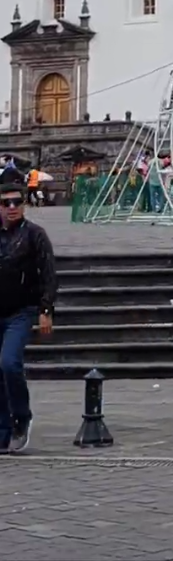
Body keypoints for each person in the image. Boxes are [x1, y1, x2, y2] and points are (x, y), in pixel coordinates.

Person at [0, 178, 56, 453]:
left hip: (21, 311)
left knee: (9, 363)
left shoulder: (35, 234)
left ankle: (22, 418)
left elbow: (48, 274)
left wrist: (46, 309)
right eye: (5, 202)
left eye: (17, 202)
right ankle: (3, 429)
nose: (12, 207)